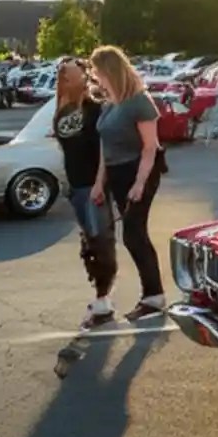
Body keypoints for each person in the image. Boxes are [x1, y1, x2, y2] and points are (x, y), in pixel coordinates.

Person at [88, 45, 167, 322]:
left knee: (134, 234)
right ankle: (152, 296)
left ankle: (154, 297)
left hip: (139, 171)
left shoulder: (139, 101)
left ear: (110, 70)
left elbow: (150, 148)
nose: (95, 76)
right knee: (131, 235)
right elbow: (104, 147)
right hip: (116, 172)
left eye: (97, 71)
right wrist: (99, 182)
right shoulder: (110, 103)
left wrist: (140, 184)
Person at [53, 59, 118, 329]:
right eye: (63, 71)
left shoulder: (95, 108)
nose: (66, 73)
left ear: (83, 76)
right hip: (76, 187)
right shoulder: (62, 109)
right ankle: (101, 297)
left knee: (101, 240)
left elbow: (104, 151)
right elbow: (66, 149)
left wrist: (100, 184)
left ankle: (103, 301)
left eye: (72, 69)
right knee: (90, 242)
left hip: (93, 185)